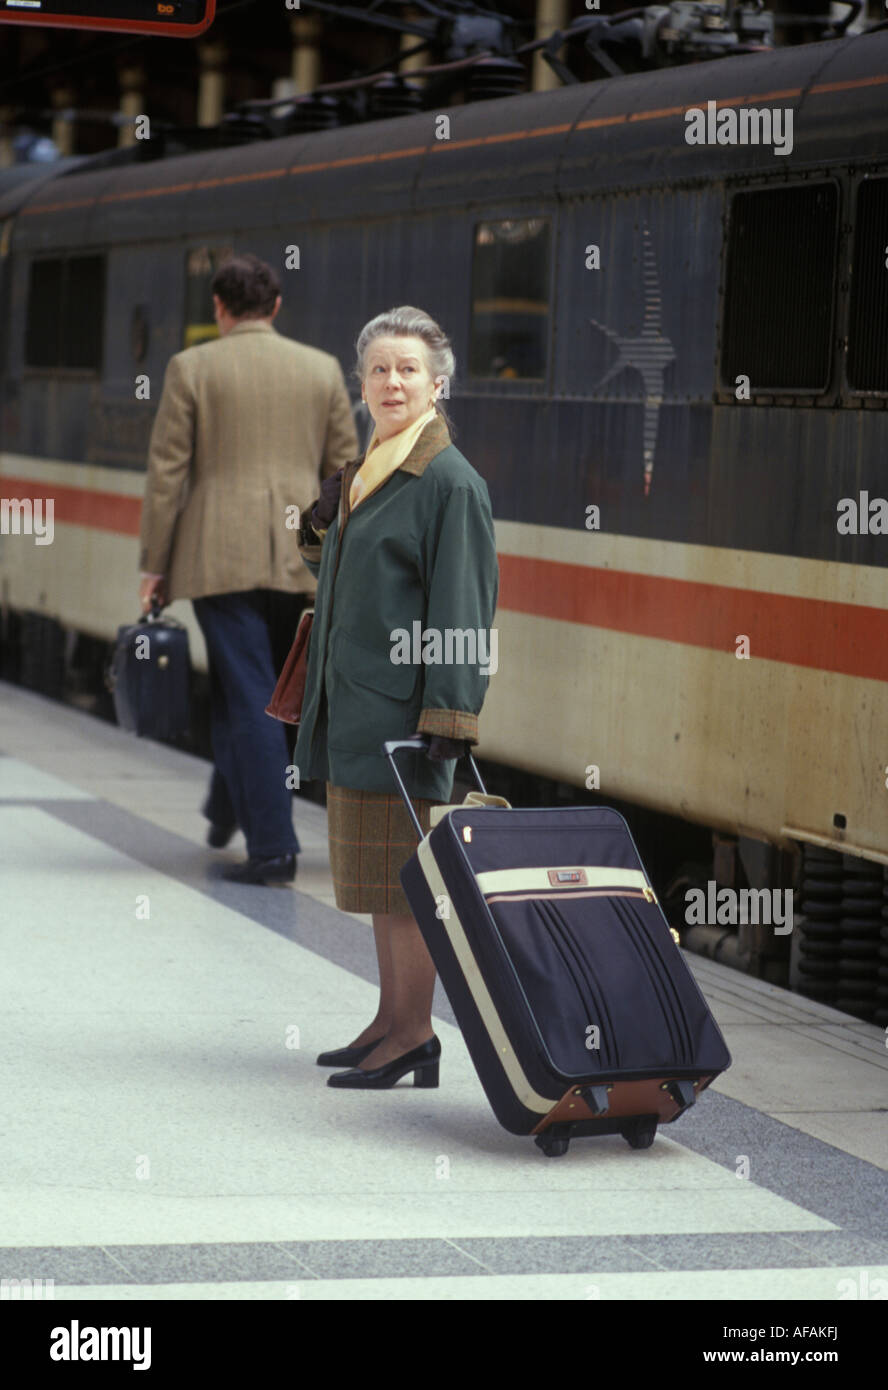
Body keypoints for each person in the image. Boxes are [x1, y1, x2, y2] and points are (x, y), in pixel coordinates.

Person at [293, 305, 499, 1088]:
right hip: (359, 707)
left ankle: (415, 1035)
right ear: (362, 382)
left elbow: (464, 609)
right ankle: (390, 1020)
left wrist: (449, 719)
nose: (392, 382)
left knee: (410, 887)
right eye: (378, 369)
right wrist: (321, 531)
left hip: (405, 719)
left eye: (408, 369)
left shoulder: (449, 482)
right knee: (384, 879)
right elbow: (356, 579)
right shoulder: (373, 465)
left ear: (438, 383)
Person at [138, 253, 359, 883]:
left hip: (217, 556)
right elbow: (346, 472)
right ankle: (223, 805)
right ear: (277, 306)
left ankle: (272, 849)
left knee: (249, 699)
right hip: (299, 557)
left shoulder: (191, 367)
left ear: (218, 308)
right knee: (257, 690)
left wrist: (155, 565)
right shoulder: (319, 370)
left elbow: (167, 476)